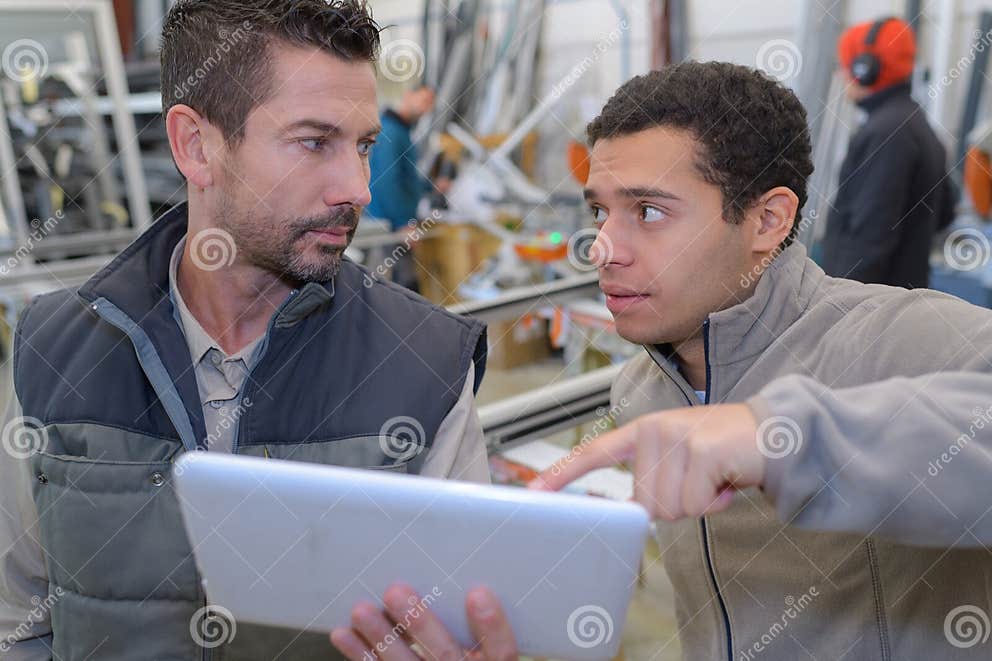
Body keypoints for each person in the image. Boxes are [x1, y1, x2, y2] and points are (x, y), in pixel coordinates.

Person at [332, 61, 992, 661]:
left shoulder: (894, 338)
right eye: (600, 211)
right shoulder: (644, 387)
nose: (602, 248)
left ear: (767, 221)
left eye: (648, 211)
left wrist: (779, 436)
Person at [0, 2, 491, 659]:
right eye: (315, 141)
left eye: (364, 144)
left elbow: (460, 628)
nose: (358, 188)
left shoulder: (429, 368)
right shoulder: (54, 350)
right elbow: (18, 622)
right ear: (196, 146)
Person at [820, 16, 955, 288]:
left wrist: (836, 306)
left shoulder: (886, 134)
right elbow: (946, 213)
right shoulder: (915, 123)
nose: (840, 75)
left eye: (846, 65)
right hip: (900, 301)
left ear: (865, 68)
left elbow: (869, 239)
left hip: (870, 310)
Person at [366, 86, 446, 291]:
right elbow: (386, 181)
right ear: (408, 95)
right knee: (395, 289)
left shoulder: (402, 131)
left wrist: (431, 187)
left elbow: (407, 177)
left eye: (430, 104)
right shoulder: (390, 131)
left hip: (398, 223)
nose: (425, 108)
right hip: (389, 225)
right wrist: (403, 224)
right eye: (423, 100)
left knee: (404, 287)